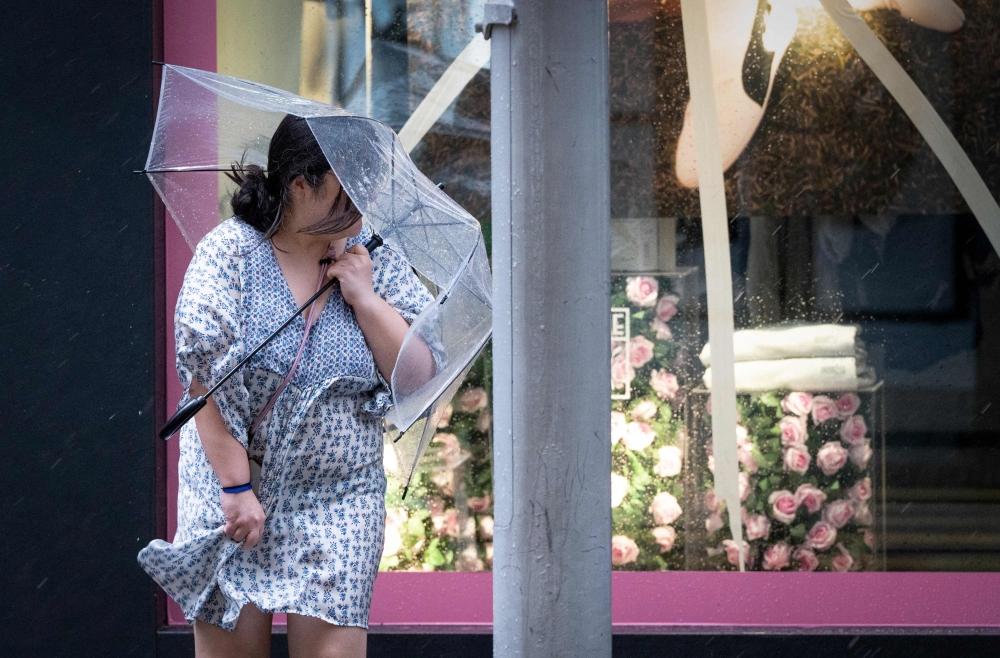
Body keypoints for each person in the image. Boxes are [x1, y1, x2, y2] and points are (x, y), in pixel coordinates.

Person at [138, 114, 436, 657]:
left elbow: (417, 376)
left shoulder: (373, 255)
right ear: (301, 184)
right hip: (235, 488)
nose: (362, 209)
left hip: (339, 494)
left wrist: (366, 298)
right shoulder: (230, 255)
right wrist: (233, 488)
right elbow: (204, 382)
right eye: (348, 193)